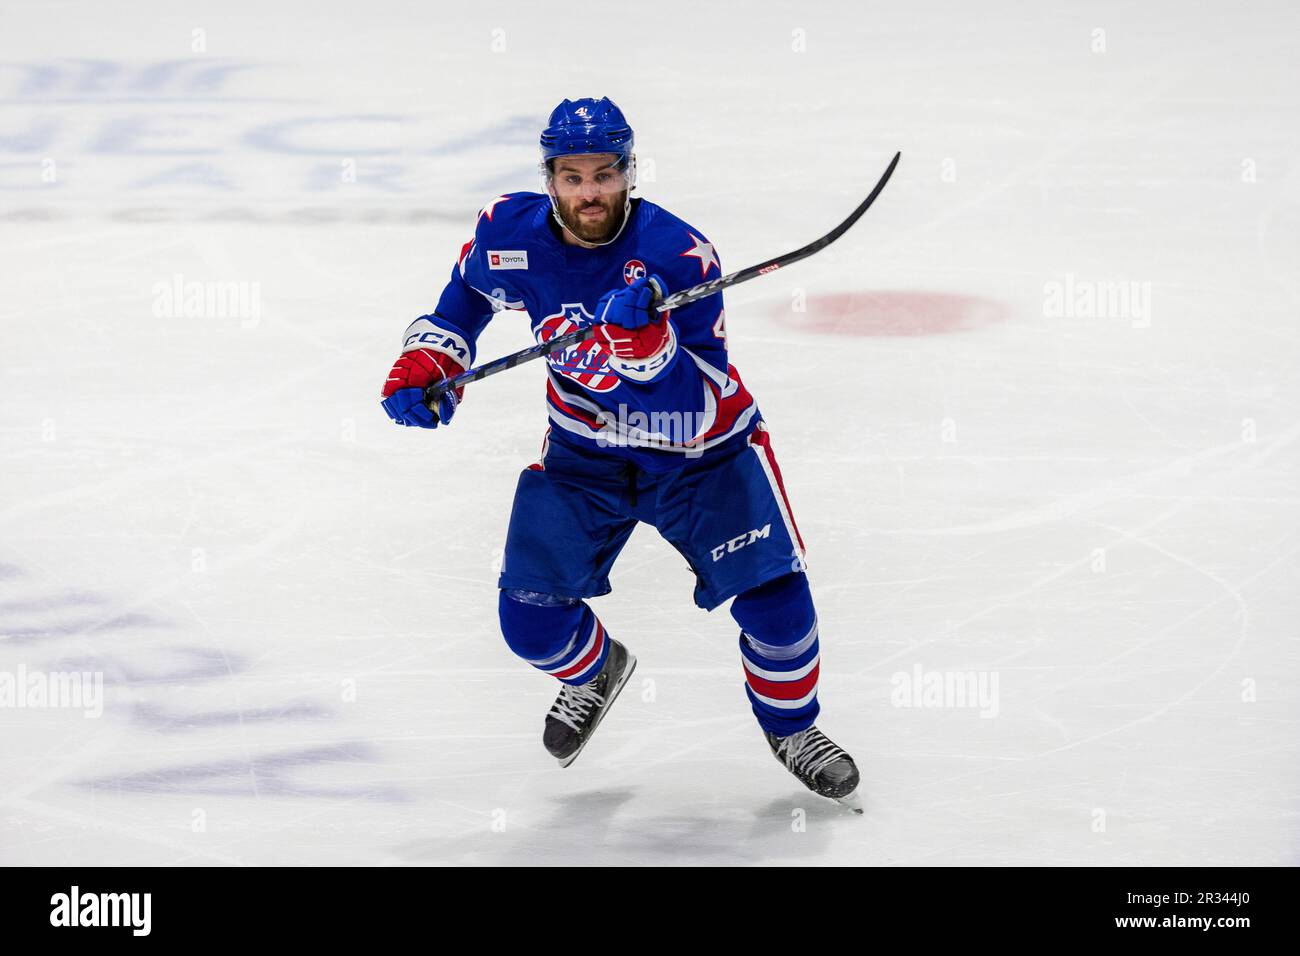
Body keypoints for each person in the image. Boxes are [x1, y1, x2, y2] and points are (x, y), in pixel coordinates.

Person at [380, 97, 860, 808]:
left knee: (778, 609)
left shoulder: (677, 255)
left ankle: (793, 730)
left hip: (701, 455)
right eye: (572, 178)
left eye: (605, 174)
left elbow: (691, 405)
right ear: (549, 178)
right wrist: (429, 358)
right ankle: (595, 672)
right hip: (584, 455)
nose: (590, 193)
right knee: (530, 620)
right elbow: (465, 300)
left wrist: (648, 352)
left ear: (629, 173)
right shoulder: (506, 231)